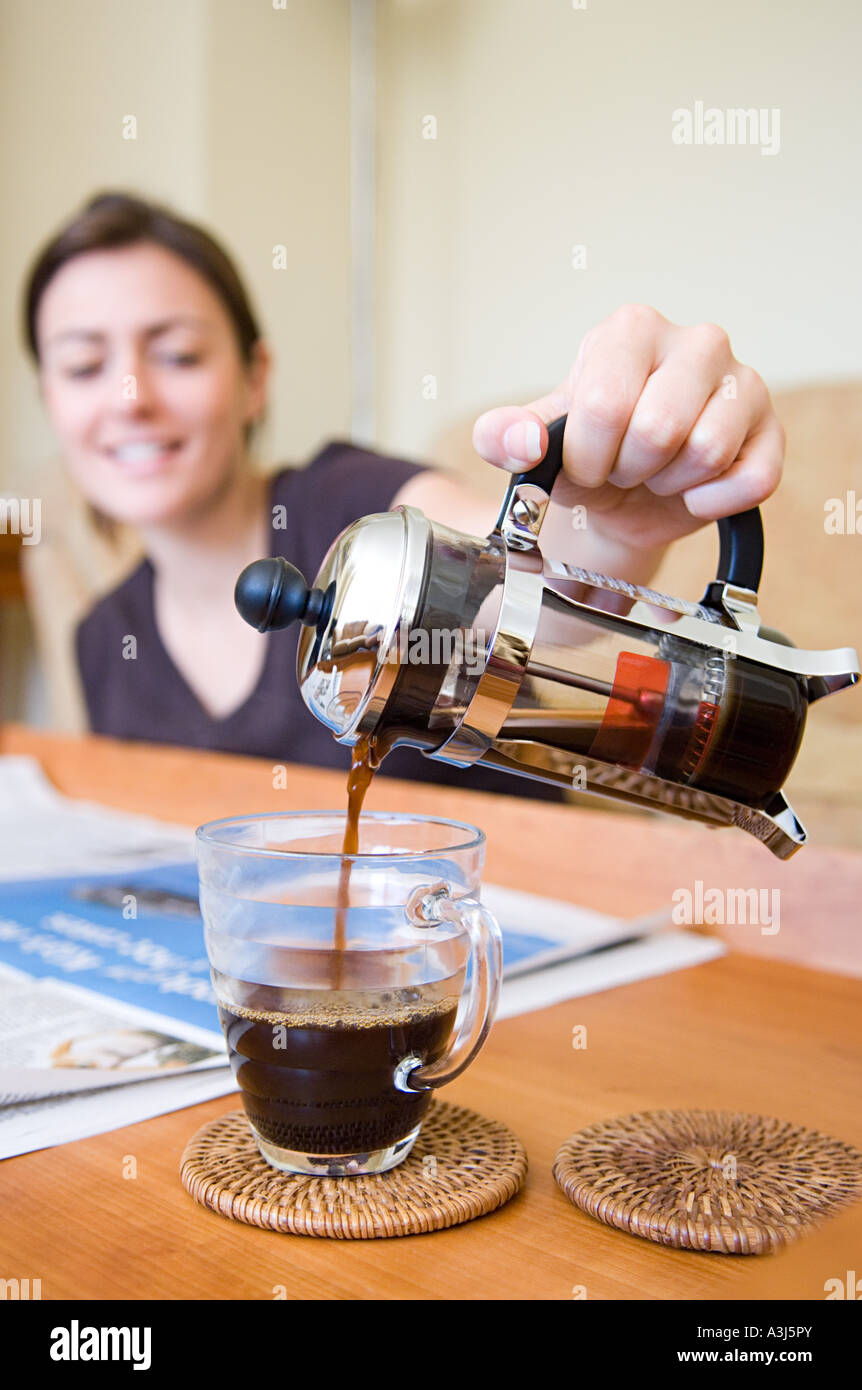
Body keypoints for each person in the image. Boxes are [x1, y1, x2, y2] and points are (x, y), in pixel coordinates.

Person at [22, 191, 785, 800]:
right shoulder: (102, 640)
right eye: (84, 366)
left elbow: (528, 595)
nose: (130, 397)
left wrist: (610, 524)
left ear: (255, 377)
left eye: (178, 353)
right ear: (49, 399)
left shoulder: (356, 508)